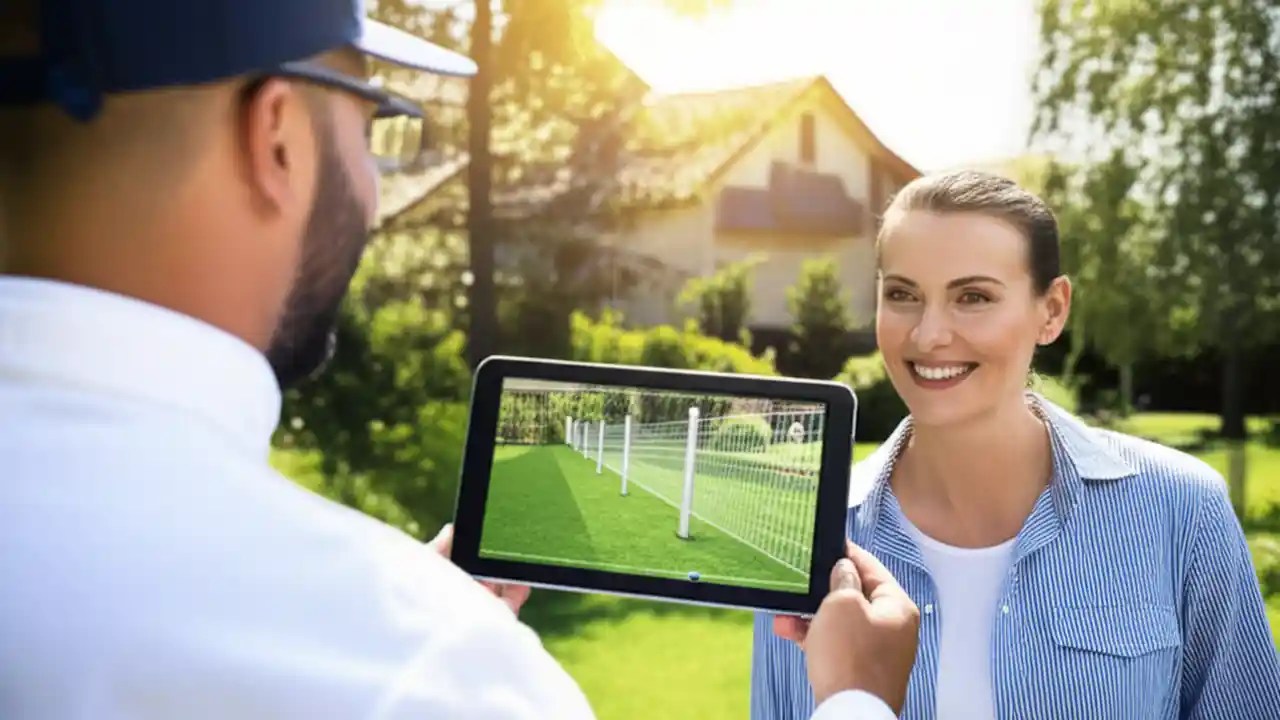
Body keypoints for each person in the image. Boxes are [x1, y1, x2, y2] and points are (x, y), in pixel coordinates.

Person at [0, 1, 920, 717]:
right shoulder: (420, 671)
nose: (370, 181)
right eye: (375, 123)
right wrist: (857, 703)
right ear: (276, 136)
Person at [751, 170, 1280, 719]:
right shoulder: (809, 540)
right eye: (903, 294)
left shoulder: (1181, 509)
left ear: (1051, 310)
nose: (929, 335)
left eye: (973, 296)